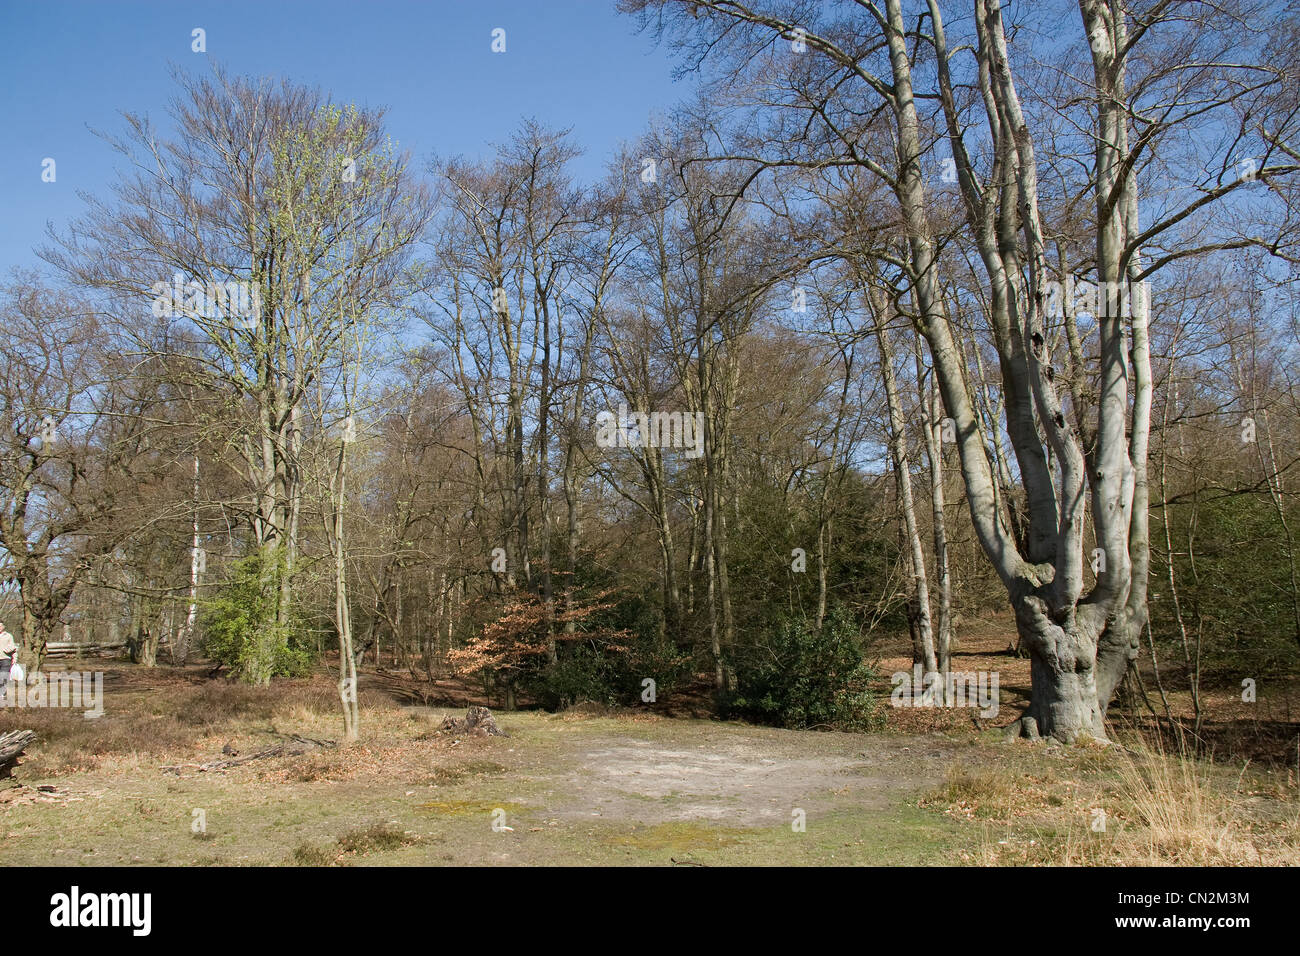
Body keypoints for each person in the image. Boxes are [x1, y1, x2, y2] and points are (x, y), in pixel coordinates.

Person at [0, 622, 16, 701]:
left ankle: (2, 693)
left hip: (5, 659)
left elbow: (13, 647)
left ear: (3, 626)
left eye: (0, 626)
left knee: (2, 676)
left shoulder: (8, 636)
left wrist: (6, 650)